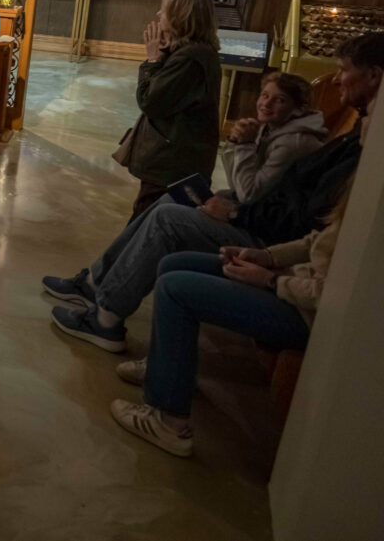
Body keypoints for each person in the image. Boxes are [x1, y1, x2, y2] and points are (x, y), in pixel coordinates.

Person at [43, 32, 384, 352]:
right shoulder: (349, 134)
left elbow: (269, 200)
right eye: (264, 97)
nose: (337, 79)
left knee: (167, 219)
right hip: (265, 225)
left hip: (266, 236)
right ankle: (96, 281)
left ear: (374, 77)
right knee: (172, 198)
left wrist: (238, 185)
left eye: (343, 70)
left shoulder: (307, 142)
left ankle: (105, 319)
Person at [109, 178, 352, 457]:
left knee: (175, 290)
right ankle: (168, 372)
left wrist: (271, 280)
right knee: (174, 264)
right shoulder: (363, 174)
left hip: (306, 314)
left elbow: (334, 295)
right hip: (290, 284)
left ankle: (168, 422)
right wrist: (265, 256)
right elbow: (314, 242)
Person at [120, 0, 221, 220]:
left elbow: (151, 101)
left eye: (164, 11)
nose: (158, 14)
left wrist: (153, 60)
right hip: (180, 163)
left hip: (172, 166)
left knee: (145, 227)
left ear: (180, 18)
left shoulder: (190, 59)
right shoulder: (193, 52)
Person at [220, 71, 326, 202]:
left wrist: (245, 145)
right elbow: (236, 185)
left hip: (275, 216)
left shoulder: (293, 143)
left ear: (299, 109)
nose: (266, 104)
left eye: (280, 100)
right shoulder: (269, 127)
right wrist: (235, 141)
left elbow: (249, 196)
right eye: (265, 95)